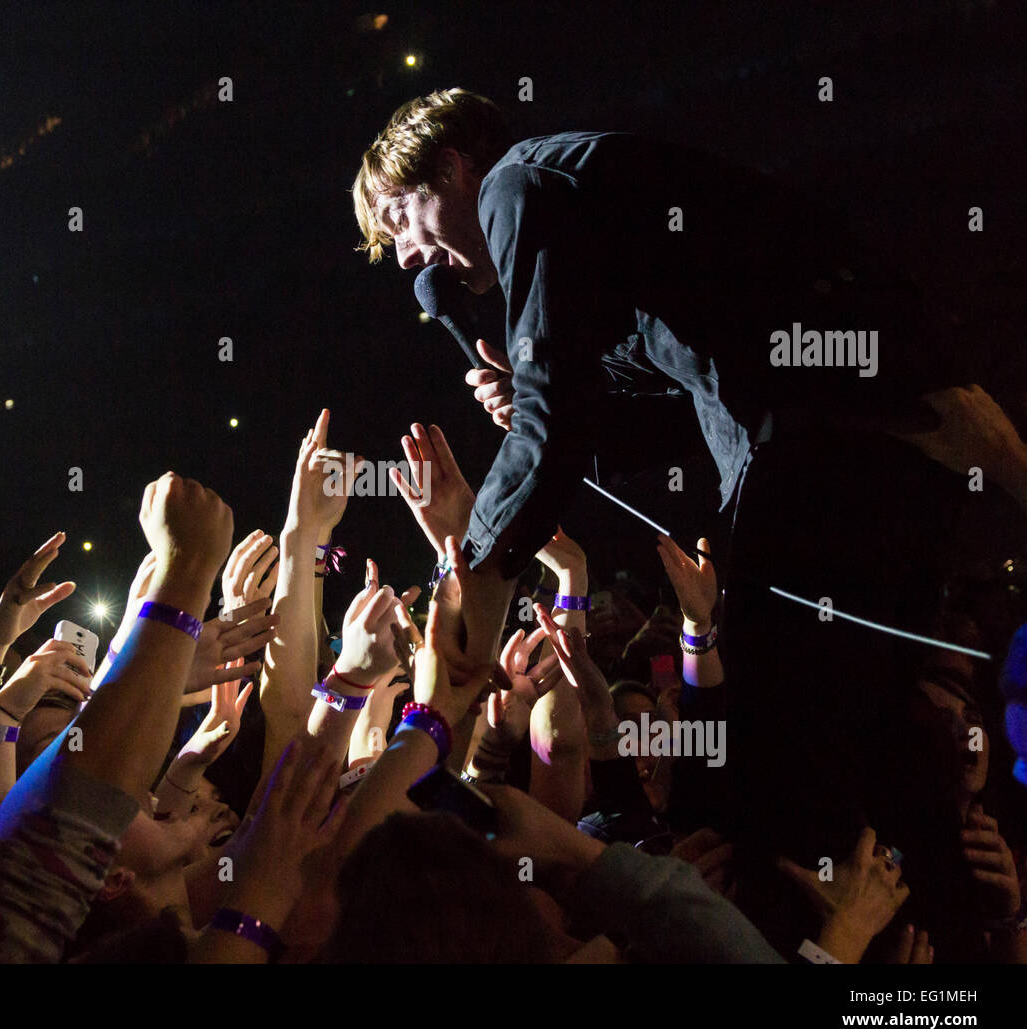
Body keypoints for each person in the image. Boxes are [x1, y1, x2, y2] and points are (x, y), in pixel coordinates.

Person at [351, 86, 1018, 878]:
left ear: (455, 171)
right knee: (862, 746)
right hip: (862, 458)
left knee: (784, 760)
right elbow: (679, 396)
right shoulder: (605, 220)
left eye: (398, 221)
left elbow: (552, 430)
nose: (404, 260)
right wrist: (543, 388)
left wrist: (476, 574)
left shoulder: (517, 184)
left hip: (821, 455)